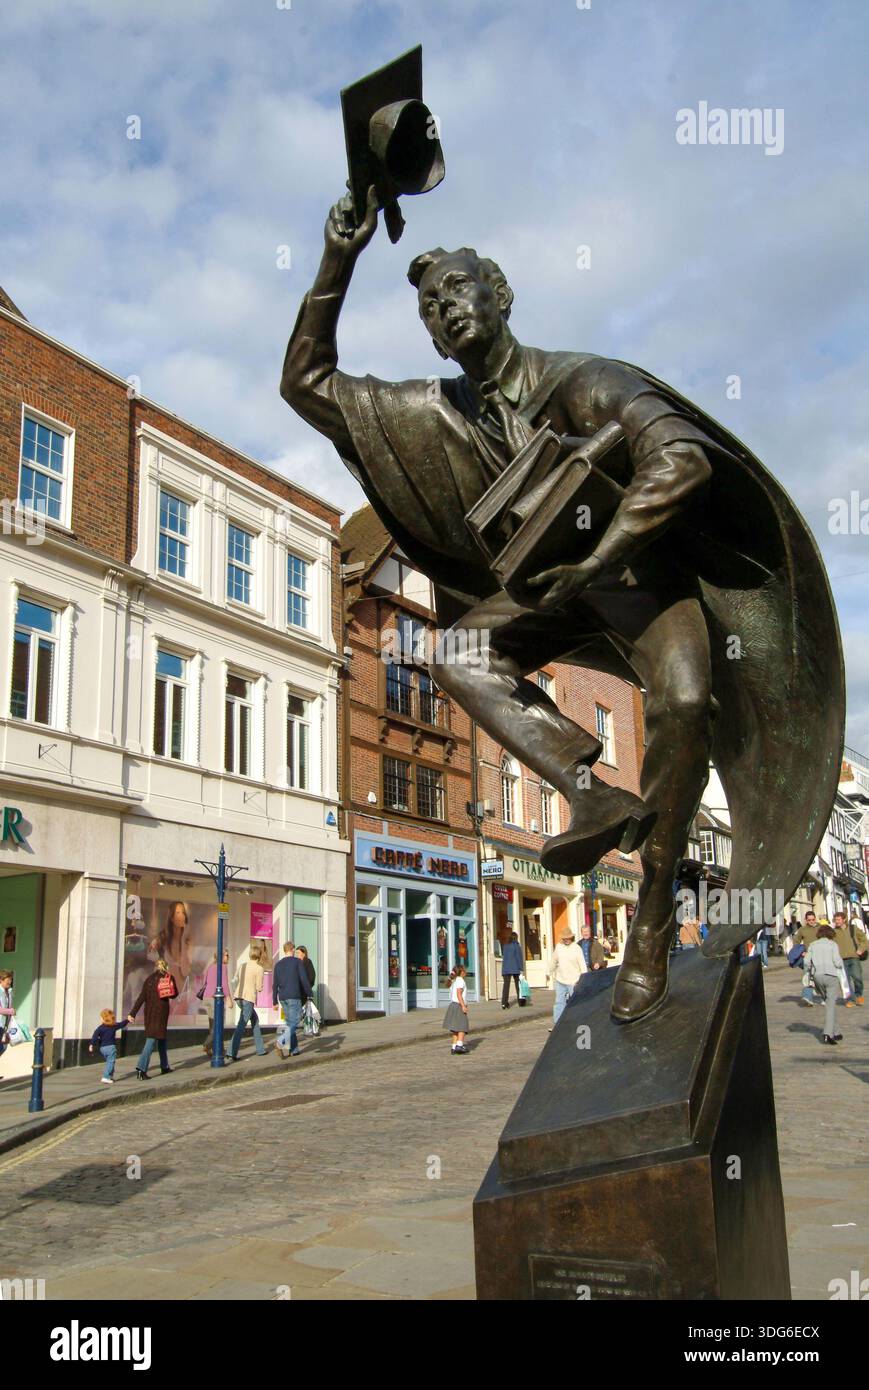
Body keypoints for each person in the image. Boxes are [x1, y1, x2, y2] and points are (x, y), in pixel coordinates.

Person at [281, 187, 842, 1024]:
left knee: (685, 702)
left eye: (459, 290)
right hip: (542, 593)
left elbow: (680, 462)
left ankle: (650, 927)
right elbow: (305, 379)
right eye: (431, 309)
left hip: (636, 581)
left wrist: (598, 558)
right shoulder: (434, 413)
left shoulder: (580, 380)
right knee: (456, 651)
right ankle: (589, 789)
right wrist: (338, 256)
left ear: (499, 295)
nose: (445, 311)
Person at [128, 960, 178, 1078]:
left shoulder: (149, 979)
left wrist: (132, 1013)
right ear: (166, 967)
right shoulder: (168, 978)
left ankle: (164, 1066)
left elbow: (141, 997)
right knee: (151, 1040)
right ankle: (141, 1068)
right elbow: (174, 994)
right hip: (161, 1013)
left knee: (161, 1039)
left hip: (149, 1013)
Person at [805, 925, 849, 1045]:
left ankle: (837, 1031)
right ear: (831, 934)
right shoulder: (832, 945)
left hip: (818, 976)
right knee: (830, 1005)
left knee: (829, 1005)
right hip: (831, 976)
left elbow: (806, 962)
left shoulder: (813, 945)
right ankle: (827, 1033)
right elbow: (837, 962)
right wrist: (840, 966)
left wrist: (810, 970)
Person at [272, 942, 311, 1059]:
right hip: (294, 996)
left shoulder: (278, 965)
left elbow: (275, 985)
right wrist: (309, 993)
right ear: (292, 950)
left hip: (283, 997)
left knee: (289, 1023)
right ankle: (280, 1042)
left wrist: (274, 1001)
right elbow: (304, 979)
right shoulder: (297, 962)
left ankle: (294, 1050)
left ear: (285, 950)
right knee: (295, 1022)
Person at [230, 951, 267, 1061]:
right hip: (248, 998)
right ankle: (231, 1052)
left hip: (238, 996)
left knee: (254, 1020)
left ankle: (260, 1049)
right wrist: (259, 986)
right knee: (242, 1024)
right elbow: (259, 987)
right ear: (259, 956)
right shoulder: (259, 968)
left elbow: (235, 979)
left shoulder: (242, 965)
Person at [547, 927, 585, 1026]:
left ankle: (578, 1022)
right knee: (559, 1002)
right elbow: (553, 961)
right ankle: (557, 1024)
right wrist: (548, 972)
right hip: (560, 979)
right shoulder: (559, 947)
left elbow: (582, 965)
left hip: (574, 981)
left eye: (568, 938)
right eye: (564, 938)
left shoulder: (576, 948)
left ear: (571, 938)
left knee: (576, 1002)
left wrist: (583, 978)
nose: (566, 940)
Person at [200, 950, 234, 1057]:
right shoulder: (222, 967)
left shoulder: (210, 966)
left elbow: (205, 981)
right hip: (215, 998)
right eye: (226, 955)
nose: (228, 957)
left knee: (213, 1024)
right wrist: (228, 998)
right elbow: (224, 983)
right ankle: (207, 1045)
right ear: (221, 957)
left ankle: (217, 1048)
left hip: (207, 997)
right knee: (218, 1024)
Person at [833, 911, 867, 1007]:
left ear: (844, 920)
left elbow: (864, 940)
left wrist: (861, 949)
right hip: (841, 960)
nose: (837, 922)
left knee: (857, 978)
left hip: (854, 957)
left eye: (839, 920)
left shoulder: (853, 928)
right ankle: (850, 999)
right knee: (845, 981)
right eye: (835, 920)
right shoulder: (833, 932)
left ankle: (858, 995)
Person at [88, 1009, 129, 1084]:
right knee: (111, 1062)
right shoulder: (113, 1026)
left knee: (109, 1062)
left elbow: (95, 1036)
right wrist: (127, 1020)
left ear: (104, 1018)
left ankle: (109, 1076)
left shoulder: (100, 1028)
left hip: (102, 1048)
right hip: (110, 1047)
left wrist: (91, 1044)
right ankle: (106, 1077)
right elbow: (121, 1024)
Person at [795, 911, 820, 1005]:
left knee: (820, 978)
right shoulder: (802, 930)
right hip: (808, 957)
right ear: (806, 920)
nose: (811, 921)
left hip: (821, 957)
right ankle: (808, 998)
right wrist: (801, 952)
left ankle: (823, 995)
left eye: (813, 919)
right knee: (807, 978)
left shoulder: (821, 928)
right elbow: (796, 941)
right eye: (809, 920)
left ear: (815, 919)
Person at [443, 964, 469, 1054]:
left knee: (455, 1028)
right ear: (461, 972)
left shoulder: (453, 981)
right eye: (464, 970)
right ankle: (459, 1045)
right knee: (462, 1026)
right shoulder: (460, 980)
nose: (466, 972)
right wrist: (463, 1006)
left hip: (452, 1005)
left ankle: (453, 1047)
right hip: (458, 1005)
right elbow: (459, 994)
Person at [501, 930, 524, 1009]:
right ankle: (520, 1001)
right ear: (516, 938)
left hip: (506, 968)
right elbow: (519, 958)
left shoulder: (505, 946)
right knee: (518, 985)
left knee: (506, 986)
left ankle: (504, 1003)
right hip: (515, 968)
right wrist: (521, 968)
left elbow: (504, 957)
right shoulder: (517, 946)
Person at [0, 970, 14, 1058]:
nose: (10, 982)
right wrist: (10, 1011)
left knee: (4, 1046)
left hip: (5, 1026)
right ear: (1, 980)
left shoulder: (9, 992)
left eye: (11, 979)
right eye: (8, 980)